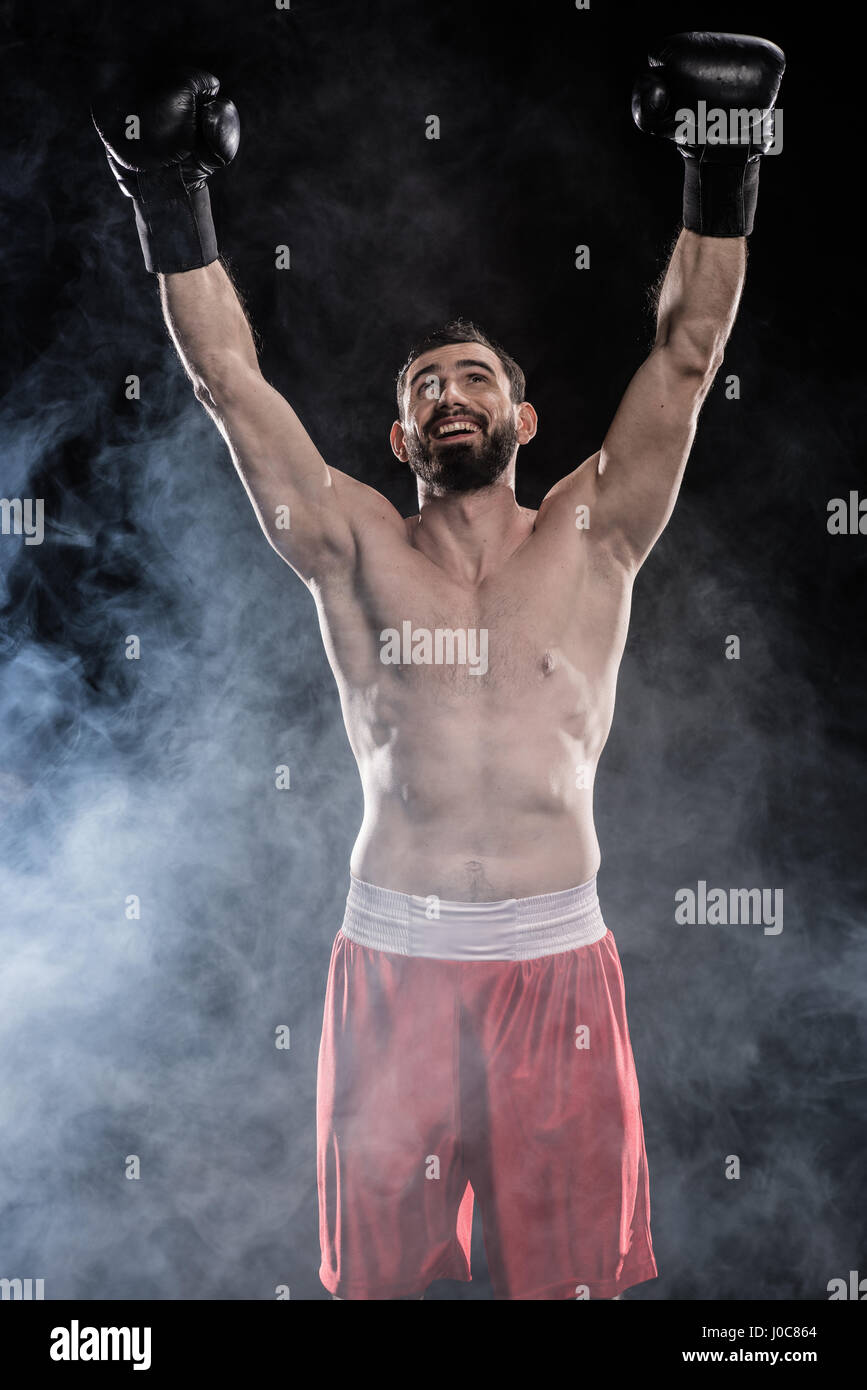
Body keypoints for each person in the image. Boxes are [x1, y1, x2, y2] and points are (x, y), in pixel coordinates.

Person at [92, 31, 784, 1300]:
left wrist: (722, 165)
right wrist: (170, 199)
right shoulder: (352, 541)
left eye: (478, 378)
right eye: (427, 385)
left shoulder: (597, 529)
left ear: (525, 421)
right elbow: (229, 384)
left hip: (558, 967)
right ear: (400, 432)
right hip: (393, 970)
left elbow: (686, 359)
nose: (452, 394)